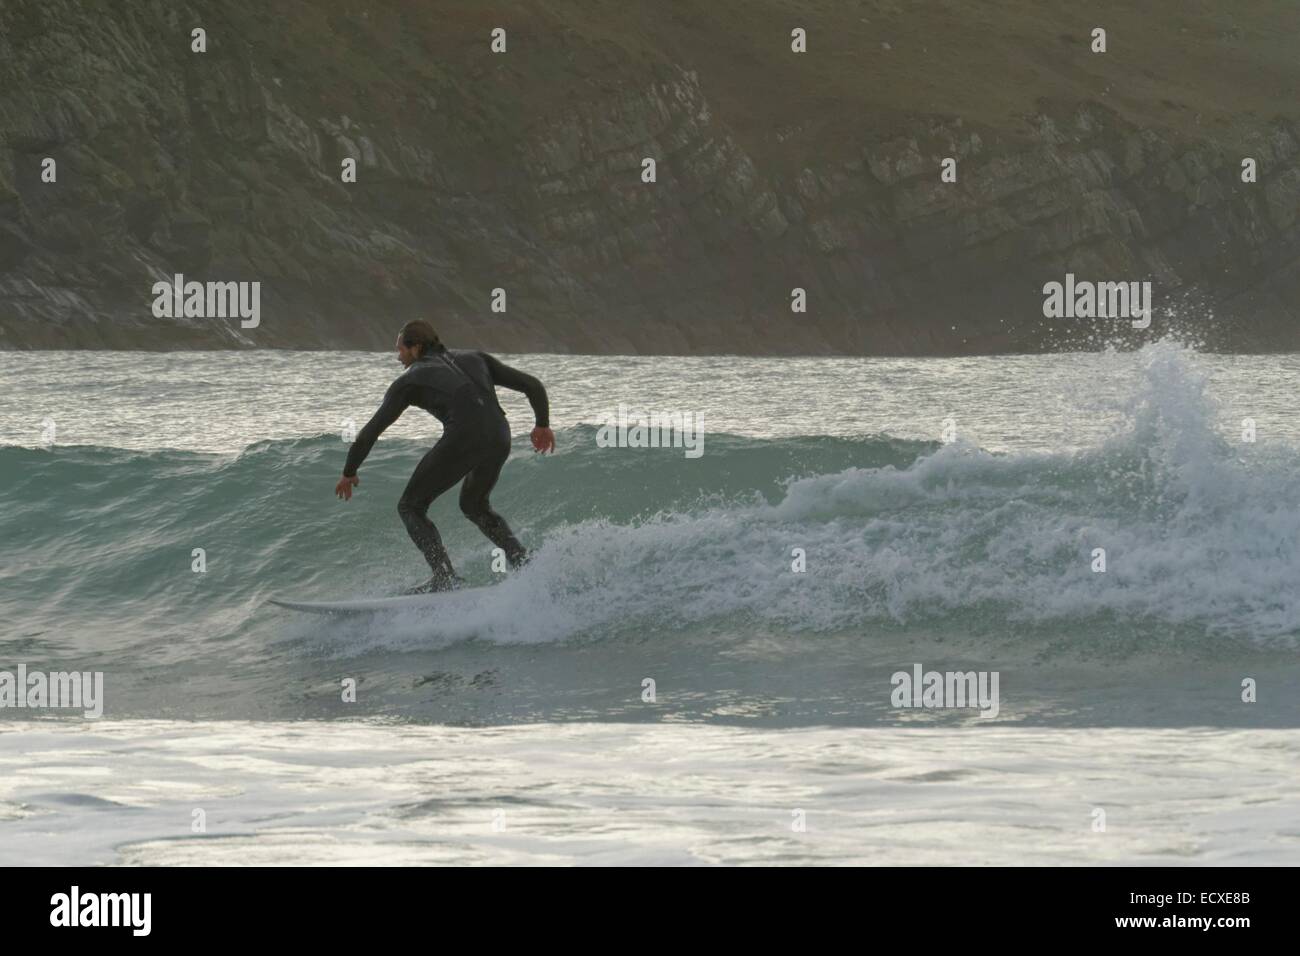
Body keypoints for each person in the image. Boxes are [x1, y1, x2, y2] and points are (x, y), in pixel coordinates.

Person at [334, 320, 555, 592]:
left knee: (410, 506)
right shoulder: (477, 358)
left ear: (415, 348)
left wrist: (349, 471)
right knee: (475, 505)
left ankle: (444, 578)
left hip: (466, 435)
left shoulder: (409, 380)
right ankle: (524, 564)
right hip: (500, 434)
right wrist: (542, 424)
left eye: (400, 350)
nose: (398, 357)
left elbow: (371, 431)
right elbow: (532, 385)